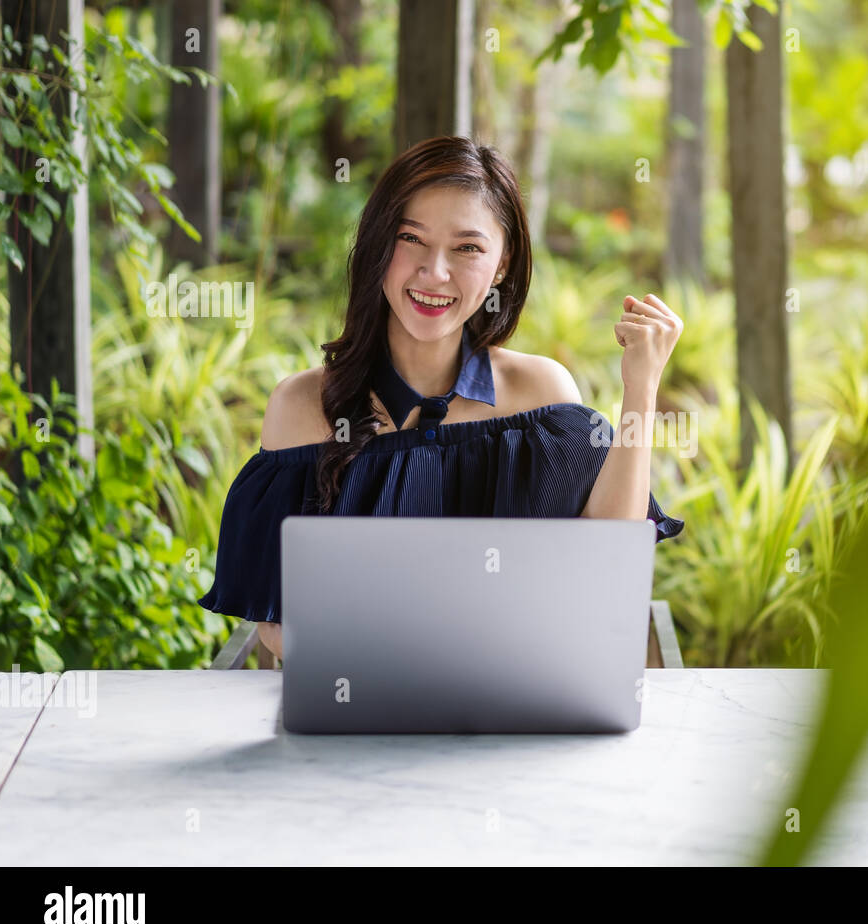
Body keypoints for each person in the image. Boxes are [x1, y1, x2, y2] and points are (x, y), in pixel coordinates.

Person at [197, 135, 685, 661]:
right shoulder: (300, 408)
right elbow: (277, 623)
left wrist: (642, 387)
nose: (435, 273)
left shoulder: (543, 397)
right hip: (359, 717)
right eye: (411, 239)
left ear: (502, 264)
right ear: (378, 243)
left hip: (517, 715)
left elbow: (609, 561)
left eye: (468, 247)